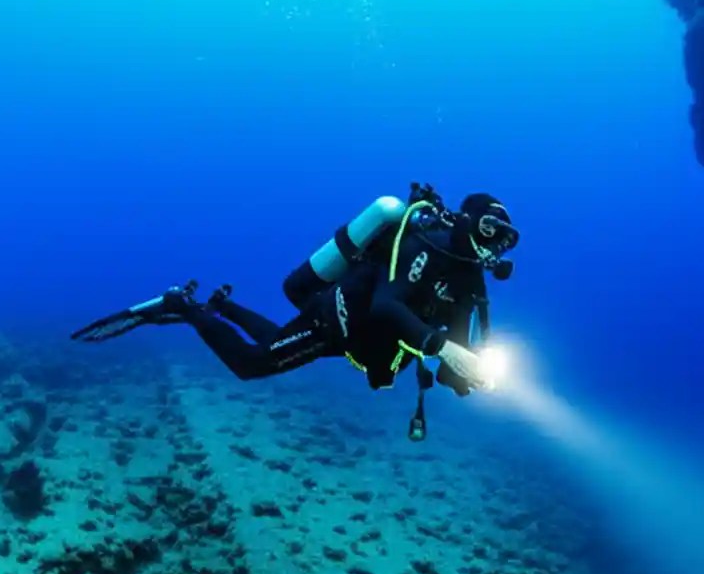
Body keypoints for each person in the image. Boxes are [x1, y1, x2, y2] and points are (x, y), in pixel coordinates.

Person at [70, 183, 520, 440]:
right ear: (464, 220)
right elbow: (386, 304)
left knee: (279, 343)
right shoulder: (430, 247)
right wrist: (444, 348)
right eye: (490, 229)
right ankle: (181, 304)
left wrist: (468, 376)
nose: (494, 244)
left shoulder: (470, 283)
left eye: (504, 239)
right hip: (340, 317)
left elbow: (450, 363)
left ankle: (221, 306)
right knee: (253, 363)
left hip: (359, 338)